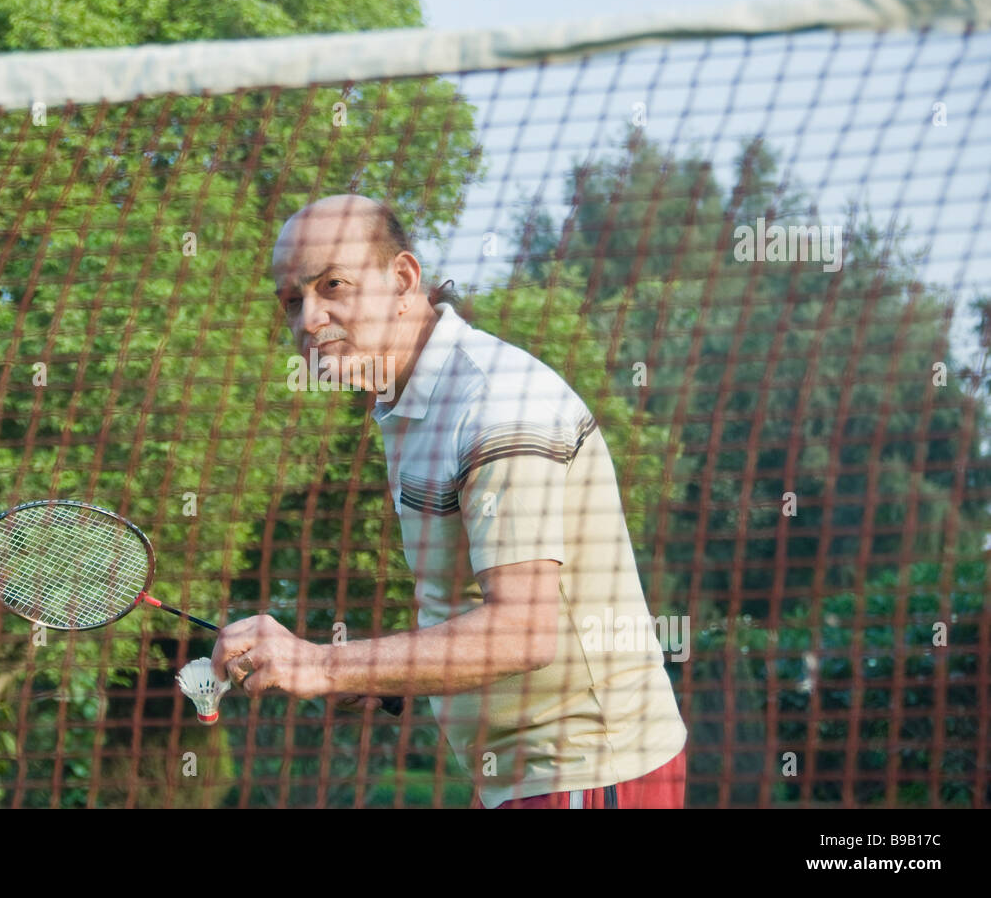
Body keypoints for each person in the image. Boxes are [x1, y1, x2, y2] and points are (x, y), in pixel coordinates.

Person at [211, 194, 687, 808]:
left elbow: (522, 633)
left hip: (586, 771)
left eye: (334, 285)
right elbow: (470, 598)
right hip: (530, 777)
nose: (309, 319)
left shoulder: (498, 407)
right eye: (293, 301)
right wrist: (371, 673)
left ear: (404, 280)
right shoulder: (409, 400)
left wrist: (321, 666)